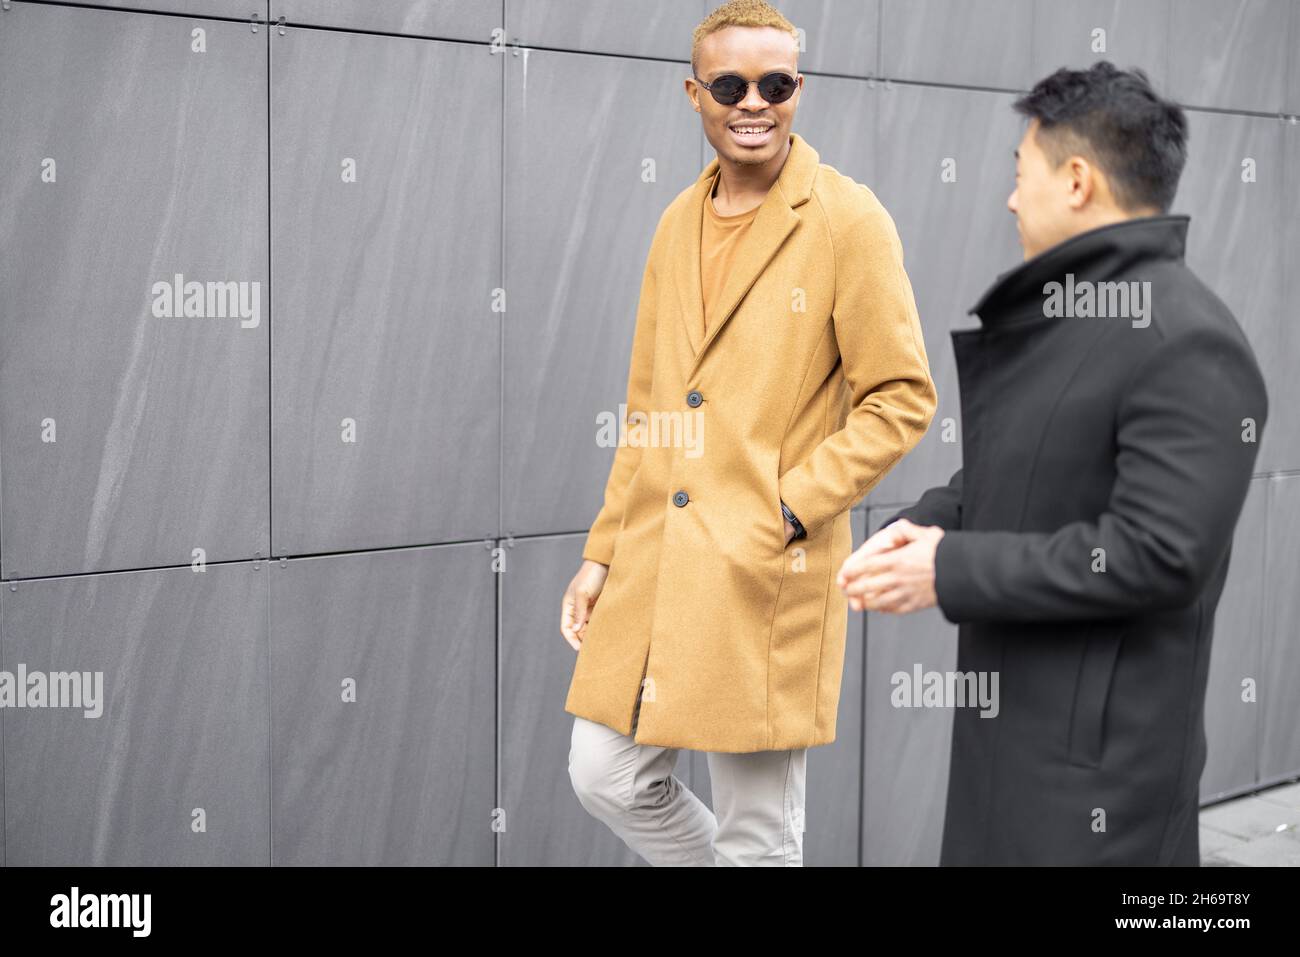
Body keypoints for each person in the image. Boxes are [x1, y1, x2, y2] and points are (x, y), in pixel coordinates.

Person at [837, 62, 1269, 865]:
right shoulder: (1077, 318)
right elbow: (1021, 472)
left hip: (1099, 784)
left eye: (1019, 172)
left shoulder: (1188, 340)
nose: (1009, 197)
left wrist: (950, 570)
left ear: (1076, 180)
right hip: (1014, 748)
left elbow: (1159, 553)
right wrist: (921, 528)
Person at [559, 0, 936, 866]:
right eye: (731, 83)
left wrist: (790, 507)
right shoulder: (673, 225)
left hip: (768, 567)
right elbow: (649, 402)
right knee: (605, 772)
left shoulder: (848, 220)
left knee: (759, 832)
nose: (754, 101)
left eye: (777, 83)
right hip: (659, 556)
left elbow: (902, 397)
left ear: (799, 89)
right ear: (694, 94)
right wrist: (603, 550)